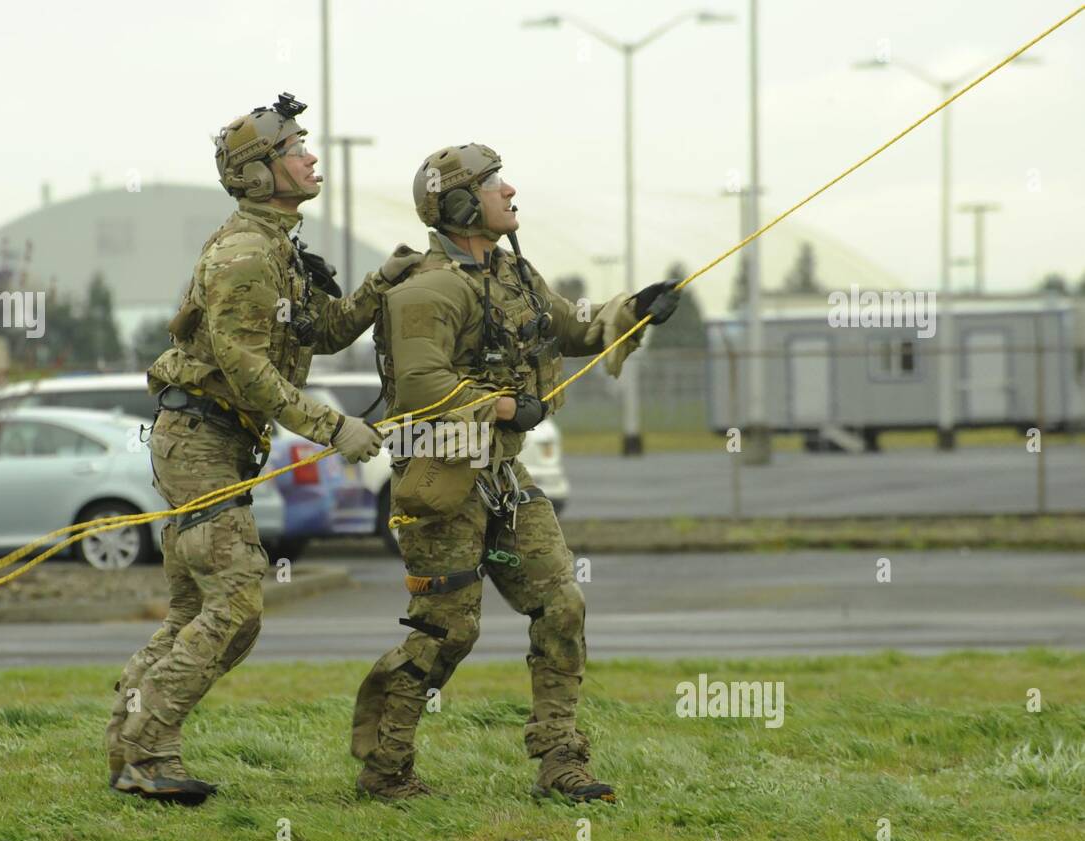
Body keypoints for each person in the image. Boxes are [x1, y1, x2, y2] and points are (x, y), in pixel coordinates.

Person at [106, 93, 421, 803]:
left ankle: (128, 740)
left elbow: (322, 332)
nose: (310, 156)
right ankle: (149, 753)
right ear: (257, 174)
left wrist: (380, 285)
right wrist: (335, 428)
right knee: (238, 604)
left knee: (200, 613)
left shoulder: (279, 250)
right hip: (201, 442)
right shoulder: (247, 255)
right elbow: (247, 367)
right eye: (295, 149)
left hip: (213, 443)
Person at [350, 143, 680, 802]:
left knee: (561, 603)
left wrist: (632, 309)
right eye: (494, 183)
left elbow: (574, 326)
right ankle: (385, 768)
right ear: (462, 203)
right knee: (448, 630)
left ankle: (561, 761)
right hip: (441, 479)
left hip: (504, 476)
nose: (510, 191)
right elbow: (420, 385)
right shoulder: (427, 288)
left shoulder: (513, 277)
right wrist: (501, 404)